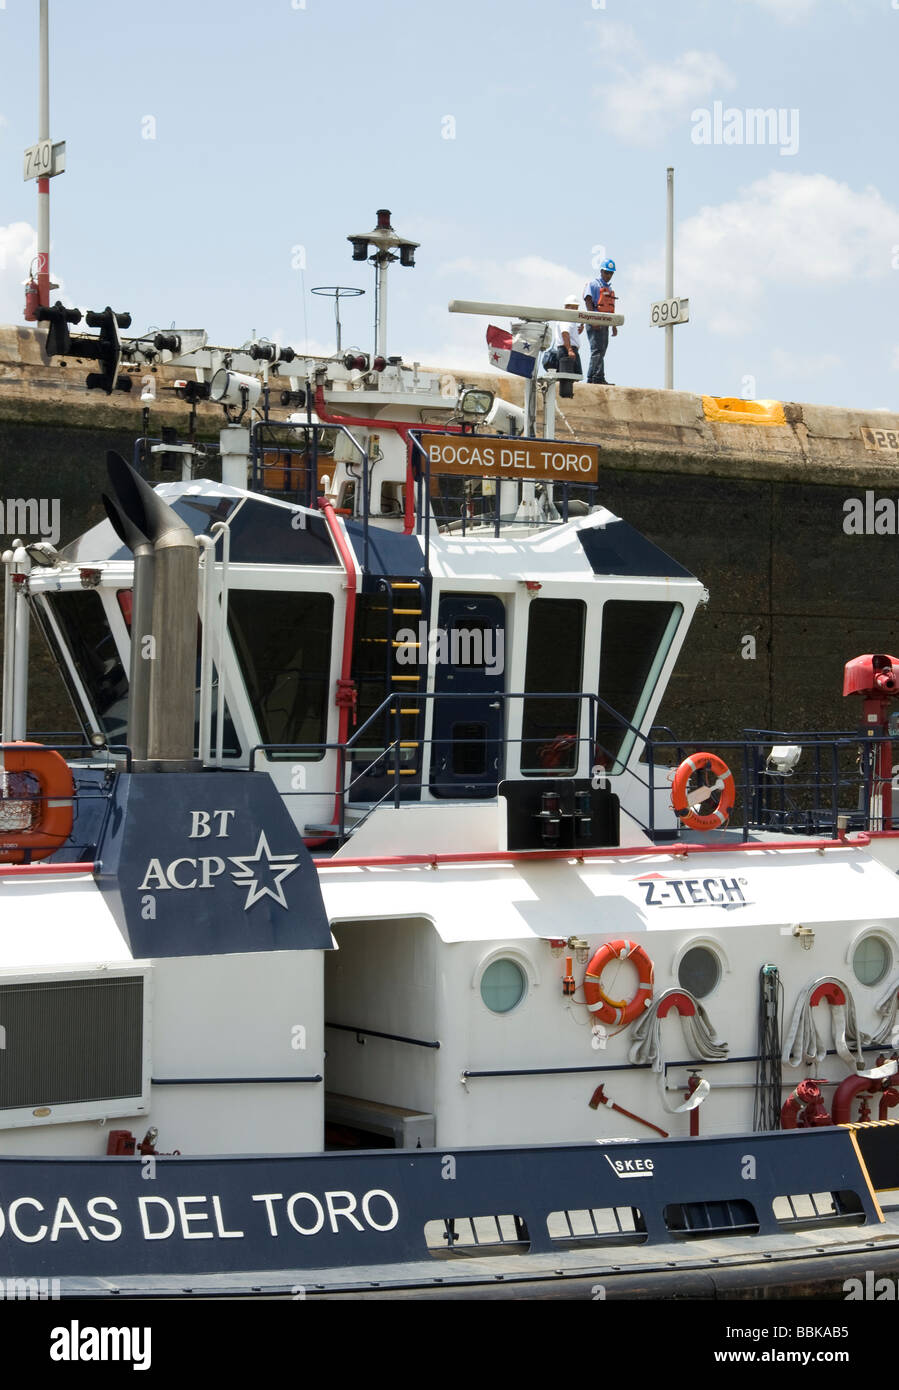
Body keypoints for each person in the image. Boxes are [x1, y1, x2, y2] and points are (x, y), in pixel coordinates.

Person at [583, 258, 617, 385]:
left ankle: (599, 377)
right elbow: (588, 300)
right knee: (596, 350)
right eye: (607, 272)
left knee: (602, 350)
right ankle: (592, 378)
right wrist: (593, 320)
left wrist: (614, 325)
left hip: (605, 323)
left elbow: (611, 307)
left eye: (611, 273)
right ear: (602, 271)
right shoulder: (593, 284)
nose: (609, 275)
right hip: (595, 322)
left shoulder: (608, 288)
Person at [542, 295, 583, 398]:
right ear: (567, 307)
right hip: (567, 349)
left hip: (566, 348)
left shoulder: (566, 318)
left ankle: (566, 394)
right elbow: (565, 334)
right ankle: (565, 395)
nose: (575, 310)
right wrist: (569, 349)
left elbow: (567, 333)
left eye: (576, 307)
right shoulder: (566, 318)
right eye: (573, 307)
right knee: (569, 375)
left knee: (571, 375)